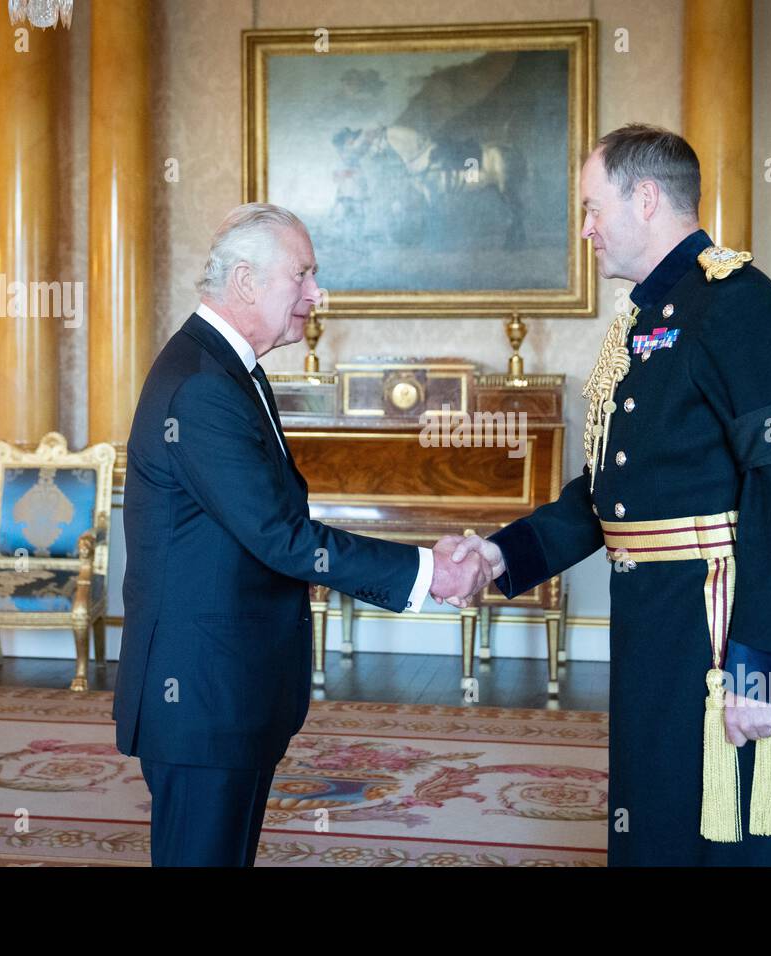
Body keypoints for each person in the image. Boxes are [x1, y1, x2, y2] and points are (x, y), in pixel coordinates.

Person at [447, 124, 771, 866]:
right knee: (658, 813)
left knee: (744, 833)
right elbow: (609, 497)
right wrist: (499, 555)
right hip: (658, 621)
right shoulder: (645, 322)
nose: (585, 230)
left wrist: (768, 665)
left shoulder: (739, 305)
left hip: (726, 632)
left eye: (593, 209)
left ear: (647, 199)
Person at [113, 203, 495, 866]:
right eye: (304, 274)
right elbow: (279, 536)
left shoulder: (229, 371)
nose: (317, 293)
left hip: (226, 687)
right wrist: (430, 573)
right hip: (202, 693)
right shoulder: (202, 387)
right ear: (246, 282)